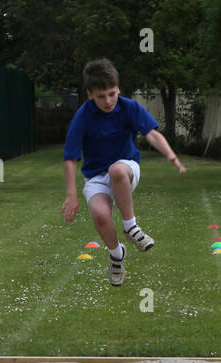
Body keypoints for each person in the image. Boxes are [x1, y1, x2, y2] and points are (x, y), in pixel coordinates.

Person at [61, 58, 186, 286]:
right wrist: (72, 195)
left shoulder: (129, 107)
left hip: (126, 168)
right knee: (100, 215)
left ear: (118, 89)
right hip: (96, 176)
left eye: (112, 94)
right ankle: (117, 255)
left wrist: (171, 156)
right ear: (90, 94)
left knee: (116, 170)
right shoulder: (83, 115)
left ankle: (131, 226)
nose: (108, 101)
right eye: (101, 96)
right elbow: (70, 158)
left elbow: (152, 133)